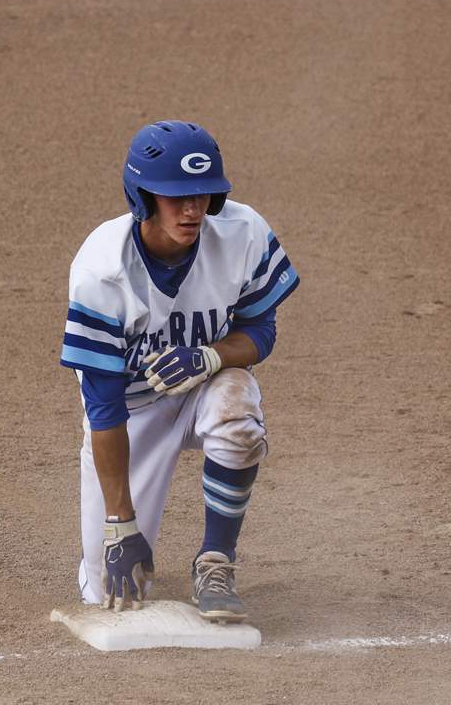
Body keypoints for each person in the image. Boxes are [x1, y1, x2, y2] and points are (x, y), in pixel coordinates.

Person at [59, 120, 300, 622]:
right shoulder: (103, 271)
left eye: (203, 194)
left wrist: (212, 357)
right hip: (130, 410)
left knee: (238, 409)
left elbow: (261, 331)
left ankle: (216, 561)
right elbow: (102, 407)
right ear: (143, 196)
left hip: (203, 389)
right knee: (112, 589)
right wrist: (119, 523)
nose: (192, 209)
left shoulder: (243, 232)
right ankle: (124, 533)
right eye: (175, 196)